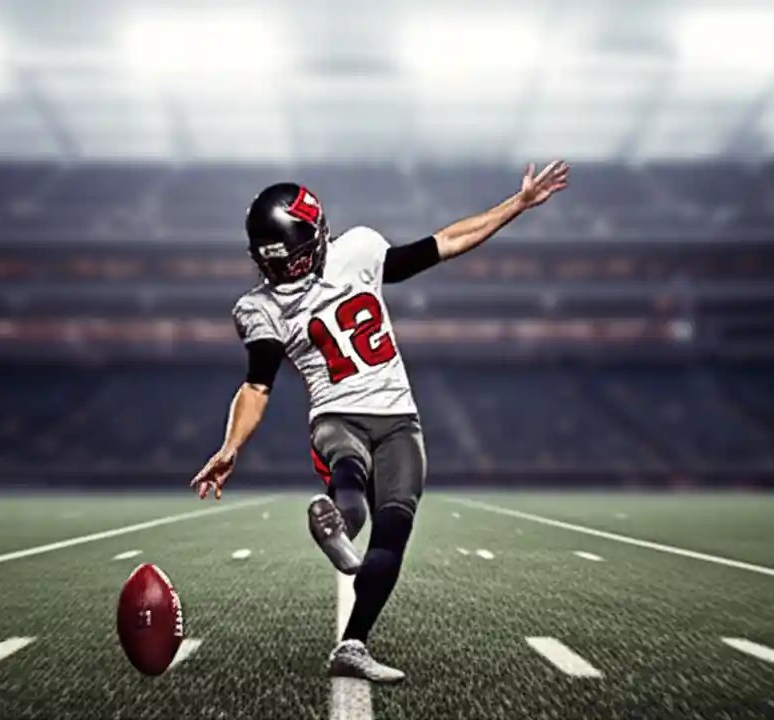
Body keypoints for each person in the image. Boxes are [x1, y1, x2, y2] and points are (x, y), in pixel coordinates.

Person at [191, 161, 570, 682]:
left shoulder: (332, 264)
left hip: (379, 420)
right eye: (274, 263)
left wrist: (517, 204)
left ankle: (351, 637)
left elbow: (443, 243)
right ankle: (340, 540)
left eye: (293, 260)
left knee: (388, 524)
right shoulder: (280, 295)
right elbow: (258, 384)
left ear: (317, 238)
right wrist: (230, 445)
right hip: (357, 414)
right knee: (357, 483)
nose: (285, 273)